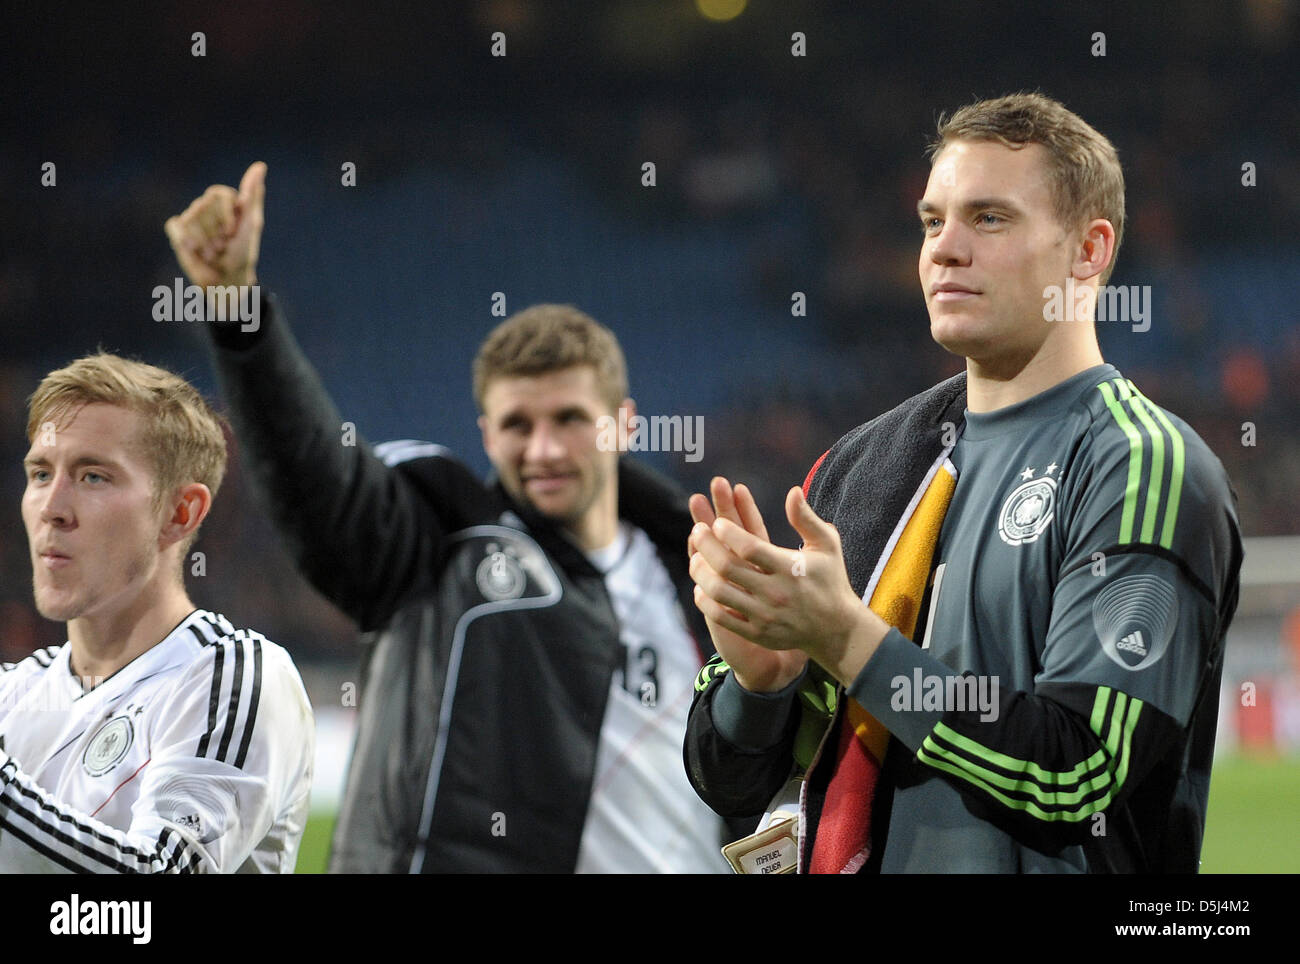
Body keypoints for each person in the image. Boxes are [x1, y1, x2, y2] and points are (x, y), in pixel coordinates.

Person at [685, 92, 1243, 873]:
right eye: (931, 220)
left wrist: (850, 642)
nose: (944, 248)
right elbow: (730, 785)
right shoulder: (860, 463)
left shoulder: (1142, 465)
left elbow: (1078, 775)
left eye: (988, 219)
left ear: (1088, 251)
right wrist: (759, 685)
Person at [164, 163, 730, 873]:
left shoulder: (699, 579)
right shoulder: (443, 540)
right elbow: (322, 488)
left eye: (569, 419)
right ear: (487, 436)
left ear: (621, 426)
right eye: (518, 424)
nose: (544, 448)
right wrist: (239, 315)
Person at [0, 353, 314, 873]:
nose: (51, 506)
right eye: (40, 473)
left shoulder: (232, 675)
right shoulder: (13, 694)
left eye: (93, 477)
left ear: (179, 512)